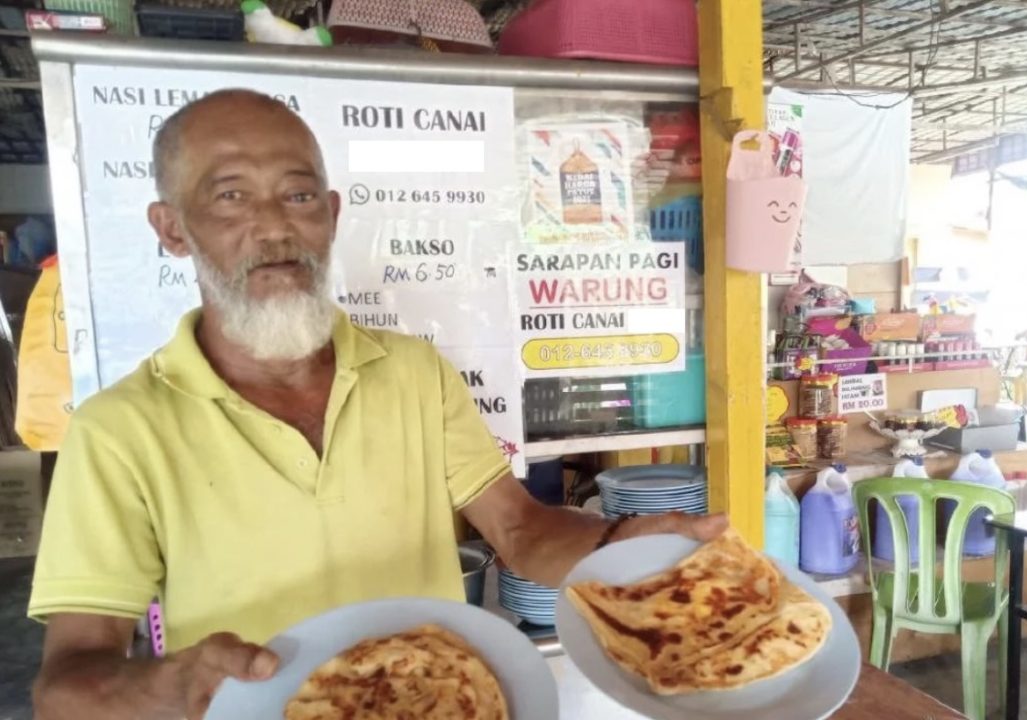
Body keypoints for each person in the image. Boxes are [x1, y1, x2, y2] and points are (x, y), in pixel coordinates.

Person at [29, 89, 726, 720]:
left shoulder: (413, 372)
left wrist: (611, 546)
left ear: (330, 217)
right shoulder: (117, 430)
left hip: (444, 702)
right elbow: (63, 686)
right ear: (172, 228)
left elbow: (519, 532)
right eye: (231, 197)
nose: (274, 227)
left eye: (299, 196)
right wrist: (171, 684)